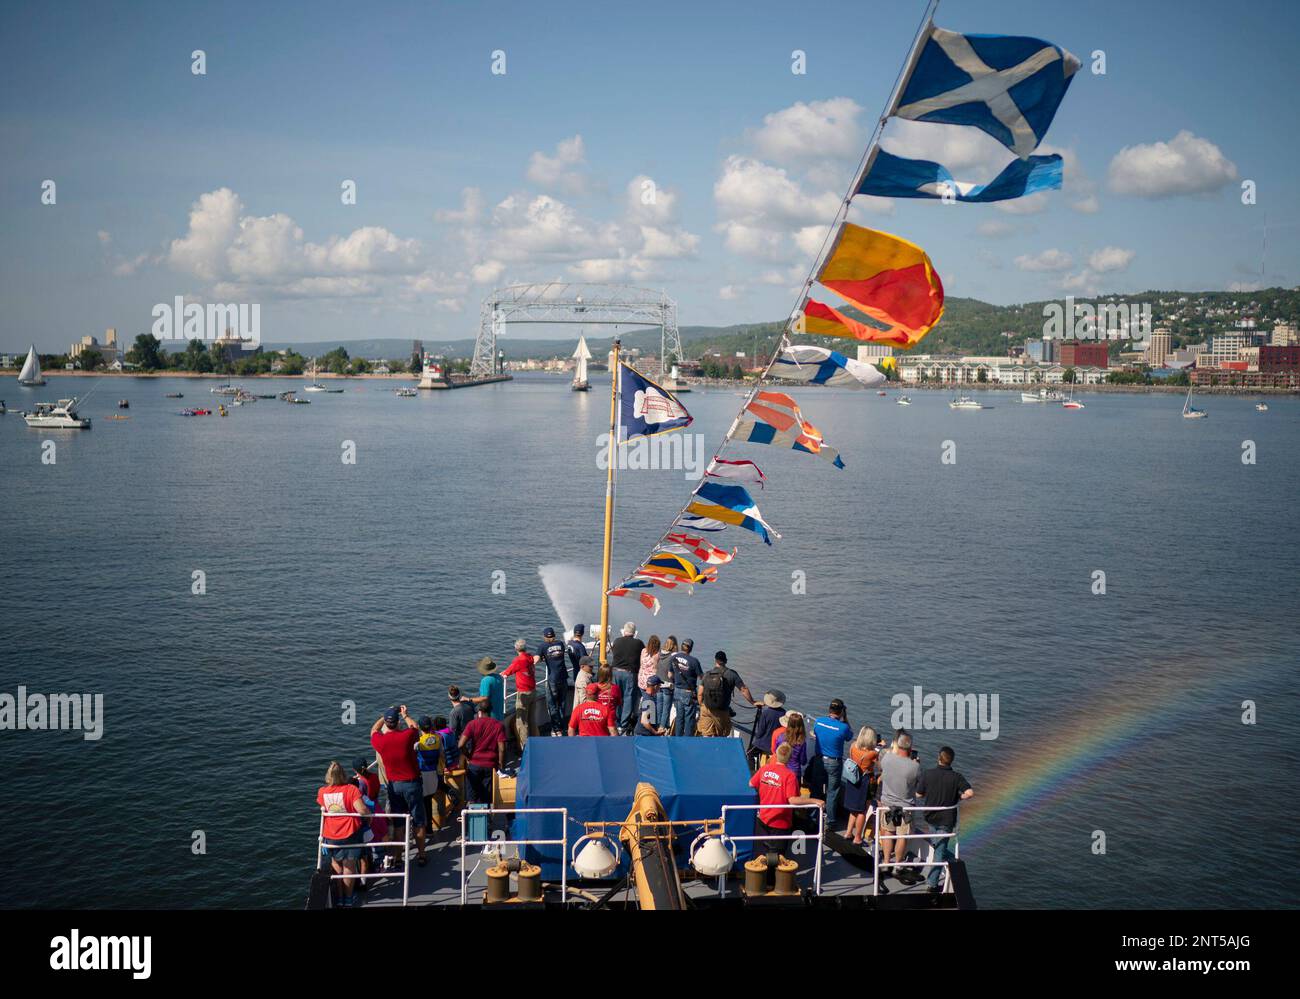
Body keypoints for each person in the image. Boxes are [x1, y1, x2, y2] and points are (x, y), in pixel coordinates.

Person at [369, 706, 428, 867]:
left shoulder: (380, 741)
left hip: (394, 788)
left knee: (399, 824)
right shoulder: (407, 736)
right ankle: (422, 855)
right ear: (397, 723)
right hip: (412, 784)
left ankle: (398, 857)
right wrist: (405, 714)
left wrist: (384, 714)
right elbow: (415, 727)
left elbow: (373, 730)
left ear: (387, 725)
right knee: (418, 821)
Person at [915, 746, 974, 892]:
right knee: (939, 849)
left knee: (939, 849)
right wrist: (959, 797)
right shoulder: (956, 777)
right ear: (951, 761)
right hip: (946, 820)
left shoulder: (928, 774)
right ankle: (951, 861)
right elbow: (970, 792)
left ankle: (932, 883)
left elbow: (918, 794)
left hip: (930, 817)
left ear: (938, 758)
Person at [748, 743, 821, 853]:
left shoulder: (765, 769)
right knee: (777, 856)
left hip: (763, 818)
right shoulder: (790, 776)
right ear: (790, 758)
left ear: (776, 755)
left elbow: (751, 783)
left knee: (762, 853)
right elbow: (793, 800)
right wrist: (814, 801)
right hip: (780, 823)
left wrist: (767, 785)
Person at [317, 761, 371, 907]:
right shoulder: (351, 790)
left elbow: (324, 808)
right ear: (343, 775)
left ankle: (339, 898)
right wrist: (369, 817)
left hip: (330, 835)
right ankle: (348, 898)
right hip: (349, 834)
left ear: (328, 776)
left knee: (337, 867)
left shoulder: (322, 791)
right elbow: (362, 810)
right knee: (349, 868)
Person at [878, 732, 922, 879]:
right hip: (905, 808)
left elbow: (882, 768)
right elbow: (917, 785)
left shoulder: (887, 758)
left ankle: (885, 862)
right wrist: (915, 762)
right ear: (911, 747)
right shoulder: (914, 767)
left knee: (888, 833)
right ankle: (898, 864)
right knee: (902, 836)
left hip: (887, 804)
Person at [458, 698, 507, 806]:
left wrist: (468, 756)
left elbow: (461, 744)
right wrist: (501, 765)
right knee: (486, 796)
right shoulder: (498, 726)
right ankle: (486, 819)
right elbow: (502, 748)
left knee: (472, 797)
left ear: (479, 710)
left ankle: (472, 818)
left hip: (474, 765)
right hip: (490, 765)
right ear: (491, 710)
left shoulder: (472, 724)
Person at [813, 700, 853, 826]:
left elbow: (815, 732)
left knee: (816, 789)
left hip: (819, 760)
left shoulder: (818, 721)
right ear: (841, 712)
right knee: (832, 792)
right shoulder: (843, 727)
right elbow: (849, 736)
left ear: (829, 710)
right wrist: (845, 718)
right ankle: (830, 821)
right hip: (834, 762)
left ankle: (812, 816)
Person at [697, 651, 754, 737]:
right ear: (726, 661)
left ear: (715, 660)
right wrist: (753, 702)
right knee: (722, 735)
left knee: (706, 735)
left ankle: (707, 749)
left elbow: (700, 693)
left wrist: (702, 705)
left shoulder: (707, 674)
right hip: (722, 711)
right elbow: (743, 689)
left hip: (707, 708)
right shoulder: (732, 674)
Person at [842, 727, 880, 845]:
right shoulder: (873, 753)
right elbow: (879, 766)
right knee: (862, 811)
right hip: (864, 782)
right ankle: (857, 837)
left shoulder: (853, 746)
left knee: (853, 809)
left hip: (852, 779)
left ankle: (848, 832)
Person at [609, 621, 644, 735]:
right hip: (629, 674)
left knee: (617, 697)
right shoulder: (638, 643)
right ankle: (623, 725)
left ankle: (617, 722)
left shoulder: (617, 641)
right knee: (628, 698)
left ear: (624, 631)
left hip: (616, 672)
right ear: (634, 633)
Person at [502, 638, 538, 746]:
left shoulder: (519, 660)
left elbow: (508, 672)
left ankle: (525, 747)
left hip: (523, 693)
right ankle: (536, 742)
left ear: (516, 648)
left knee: (522, 722)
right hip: (533, 691)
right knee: (531, 719)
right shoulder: (529, 657)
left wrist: (502, 674)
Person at [415, 715, 447, 833]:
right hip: (434, 773)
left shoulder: (418, 743)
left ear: (419, 727)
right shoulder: (438, 738)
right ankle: (435, 825)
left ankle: (427, 829)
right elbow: (442, 755)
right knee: (431, 799)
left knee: (424, 803)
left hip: (423, 775)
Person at [536, 627, 569, 734]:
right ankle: (562, 727)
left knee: (552, 705)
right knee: (562, 704)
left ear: (545, 637)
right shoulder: (560, 644)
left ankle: (556, 729)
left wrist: (542, 658)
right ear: (554, 635)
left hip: (553, 680)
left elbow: (535, 660)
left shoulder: (543, 646)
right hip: (563, 677)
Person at [669, 638, 704, 736]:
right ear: (691, 648)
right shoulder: (694, 661)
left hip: (677, 691)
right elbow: (702, 677)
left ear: (681, 646)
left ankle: (678, 738)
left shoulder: (674, 658)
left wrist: (676, 682)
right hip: (688, 693)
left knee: (679, 717)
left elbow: (669, 675)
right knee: (689, 719)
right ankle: (687, 741)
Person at [772, 712, 810, 786]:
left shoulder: (780, 737)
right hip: (794, 772)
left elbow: (776, 752)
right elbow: (803, 761)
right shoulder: (801, 742)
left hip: (780, 770)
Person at [750, 690, 785, 765]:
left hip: (765, 743)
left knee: (750, 753)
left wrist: (757, 739)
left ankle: (753, 771)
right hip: (777, 744)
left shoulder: (766, 713)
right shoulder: (784, 713)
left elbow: (760, 731)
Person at [655, 636, 677, 730]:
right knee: (666, 708)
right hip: (668, 685)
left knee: (659, 706)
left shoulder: (659, 654)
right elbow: (670, 674)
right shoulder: (672, 656)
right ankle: (662, 727)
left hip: (658, 684)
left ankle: (658, 724)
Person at [638, 635, 661, 709]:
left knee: (645, 700)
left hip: (641, 680)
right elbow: (656, 668)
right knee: (648, 703)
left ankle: (642, 715)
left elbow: (641, 663)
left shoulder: (643, 651)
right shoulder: (657, 655)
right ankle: (643, 718)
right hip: (650, 683)